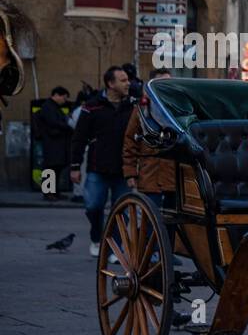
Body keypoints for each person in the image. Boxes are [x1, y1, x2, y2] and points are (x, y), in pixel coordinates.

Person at [70, 66, 135, 257]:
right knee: (93, 206)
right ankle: (97, 237)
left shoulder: (133, 105)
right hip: (97, 168)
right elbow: (79, 138)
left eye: (127, 79)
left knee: (122, 211)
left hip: (124, 169)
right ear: (111, 84)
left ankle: (115, 246)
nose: (128, 83)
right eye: (123, 80)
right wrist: (75, 166)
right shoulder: (92, 106)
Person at [123, 69, 174, 208]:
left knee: (174, 222)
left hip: (174, 176)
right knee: (151, 220)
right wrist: (130, 173)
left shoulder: (178, 107)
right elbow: (130, 140)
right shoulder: (142, 108)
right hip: (150, 173)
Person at [33, 86, 73, 199]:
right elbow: (54, 122)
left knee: (56, 168)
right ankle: (48, 193)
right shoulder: (48, 107)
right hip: (52, 142)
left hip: (56, 142)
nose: (64, 101)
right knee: (50, 168)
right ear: (56, 95)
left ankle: (55, 192)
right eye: (64, 98)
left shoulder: (53, 106)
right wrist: (68, 126)